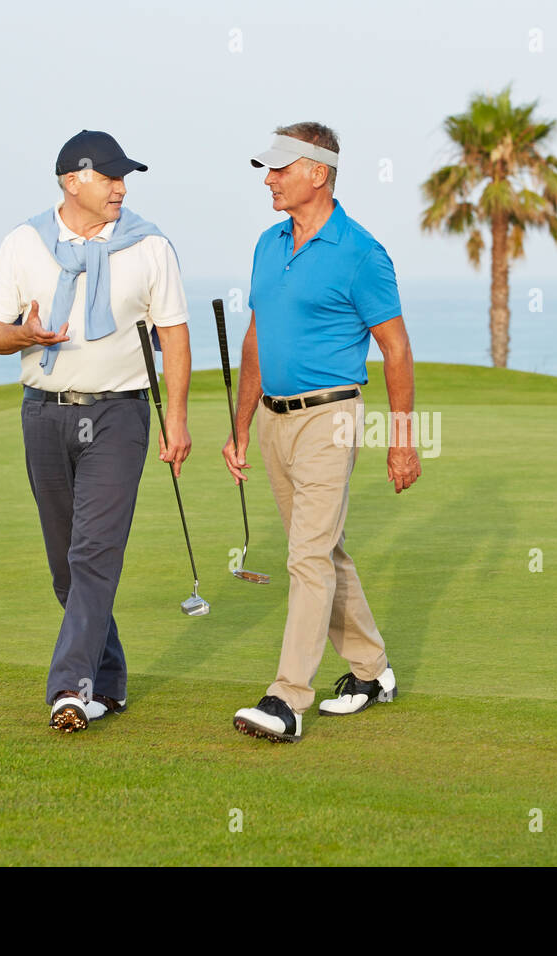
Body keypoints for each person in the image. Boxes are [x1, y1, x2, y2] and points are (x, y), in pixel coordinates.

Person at [0, 129, 192, 733]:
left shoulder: (150, 246)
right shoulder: (24, 243)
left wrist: (175, 416)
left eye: (126, 178)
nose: (122, 188)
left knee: (94, 553)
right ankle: (111, 679)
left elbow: (173, 332)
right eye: (110, 177)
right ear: (73, 181)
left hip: (119, 414)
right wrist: (28, 335)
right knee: (65, 569)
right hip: (43, 413)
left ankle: (70, 688)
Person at [226, 122, 421, 744]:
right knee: (326, 552)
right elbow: (257, 336)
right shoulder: (267, 242)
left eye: (281, 169)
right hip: (274, 421)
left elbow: (395, 348)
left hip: (330, 418)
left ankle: (286, 700)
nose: (269, 179)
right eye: (268, 168)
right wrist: (240, 423)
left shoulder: (361, 252)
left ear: (319, 172)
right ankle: (370, 670)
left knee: (307, 557)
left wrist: (402, 438)